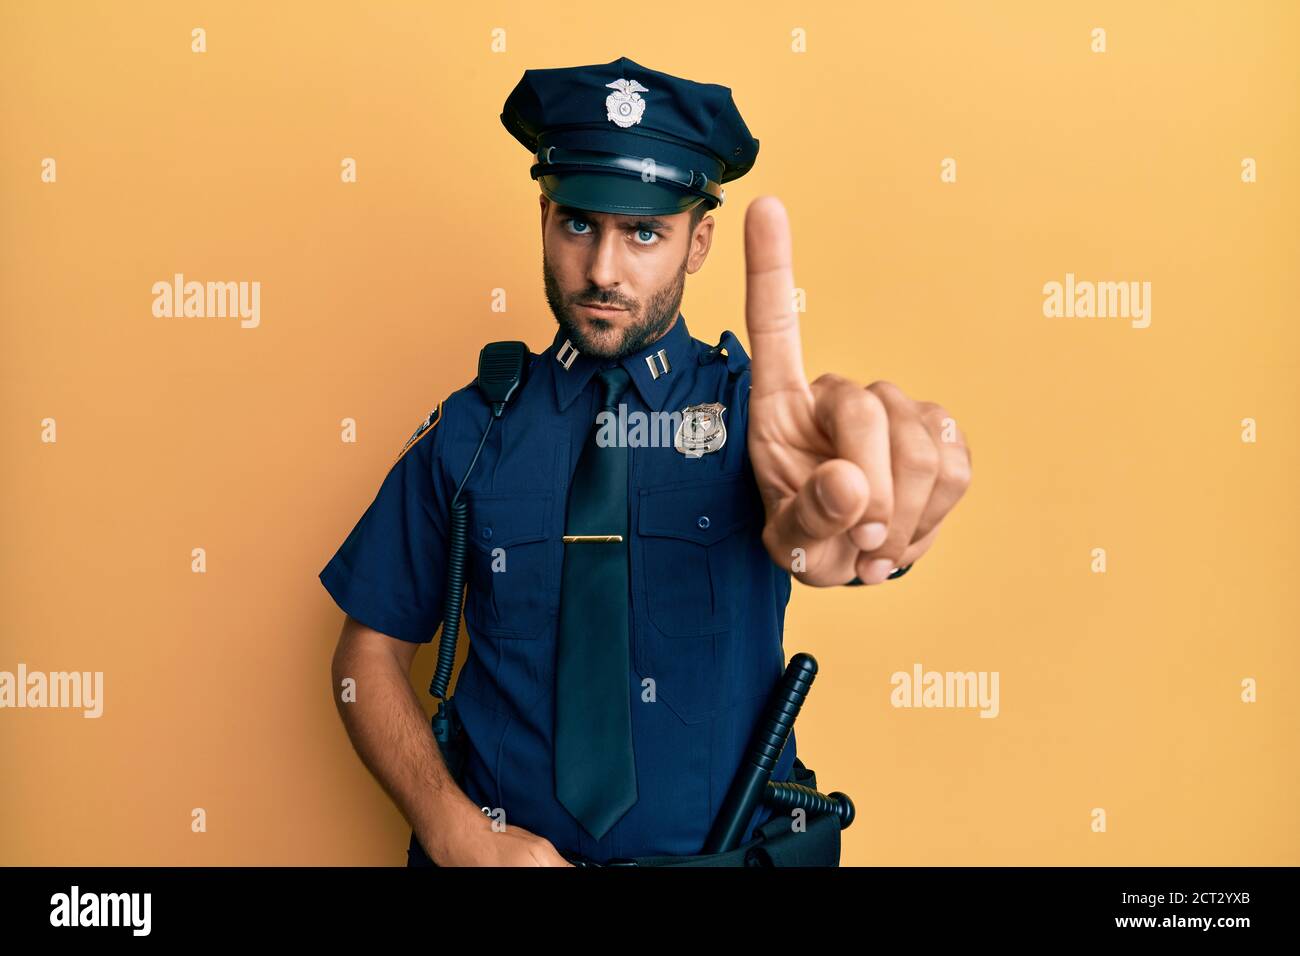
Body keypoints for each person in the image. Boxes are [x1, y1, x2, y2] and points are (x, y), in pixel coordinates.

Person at [319, 56, 972, 867]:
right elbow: (367, 653)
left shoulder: (758, 422)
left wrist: (877, 505)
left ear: (698, 242)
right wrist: (455, 832)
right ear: (545, 219)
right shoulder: (471, 430)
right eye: (579, 223)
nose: (602, 269)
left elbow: (835, 508)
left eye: (645, 233)